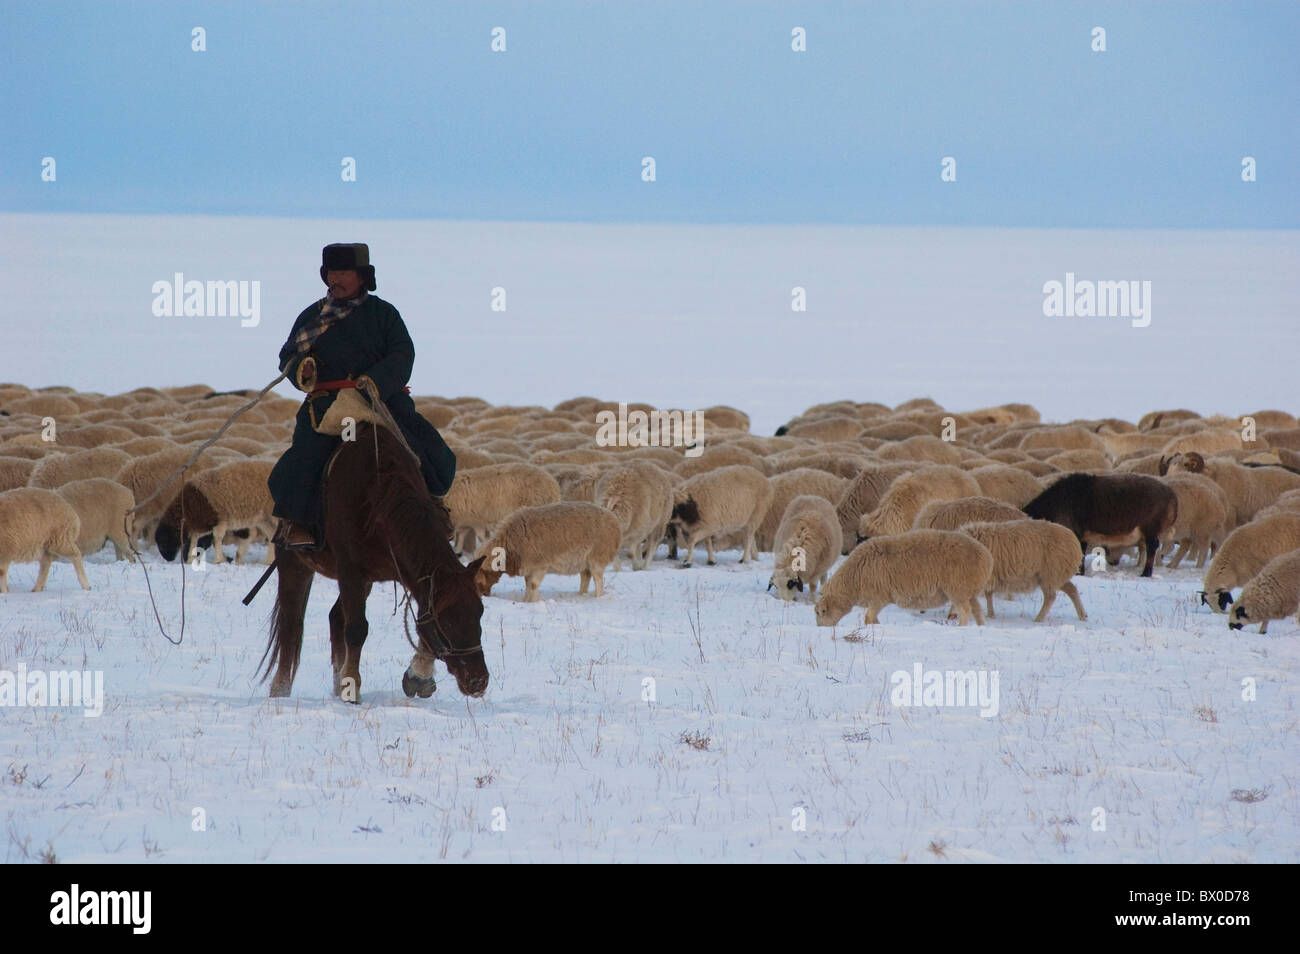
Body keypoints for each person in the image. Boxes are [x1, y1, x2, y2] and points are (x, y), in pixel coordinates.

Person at [268, 243, 456, 550]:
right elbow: (289, 355)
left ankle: (431, 507)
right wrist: (303, 369)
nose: (335, 279)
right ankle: (298, 523)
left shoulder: (384, 315)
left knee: (424, 445)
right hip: (328, 404)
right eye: (331, 272)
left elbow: (402, 354)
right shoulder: (312, 316)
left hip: (381, 400)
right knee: (306, 455)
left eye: (343, 272)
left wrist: (376, 380)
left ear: (361, 277)